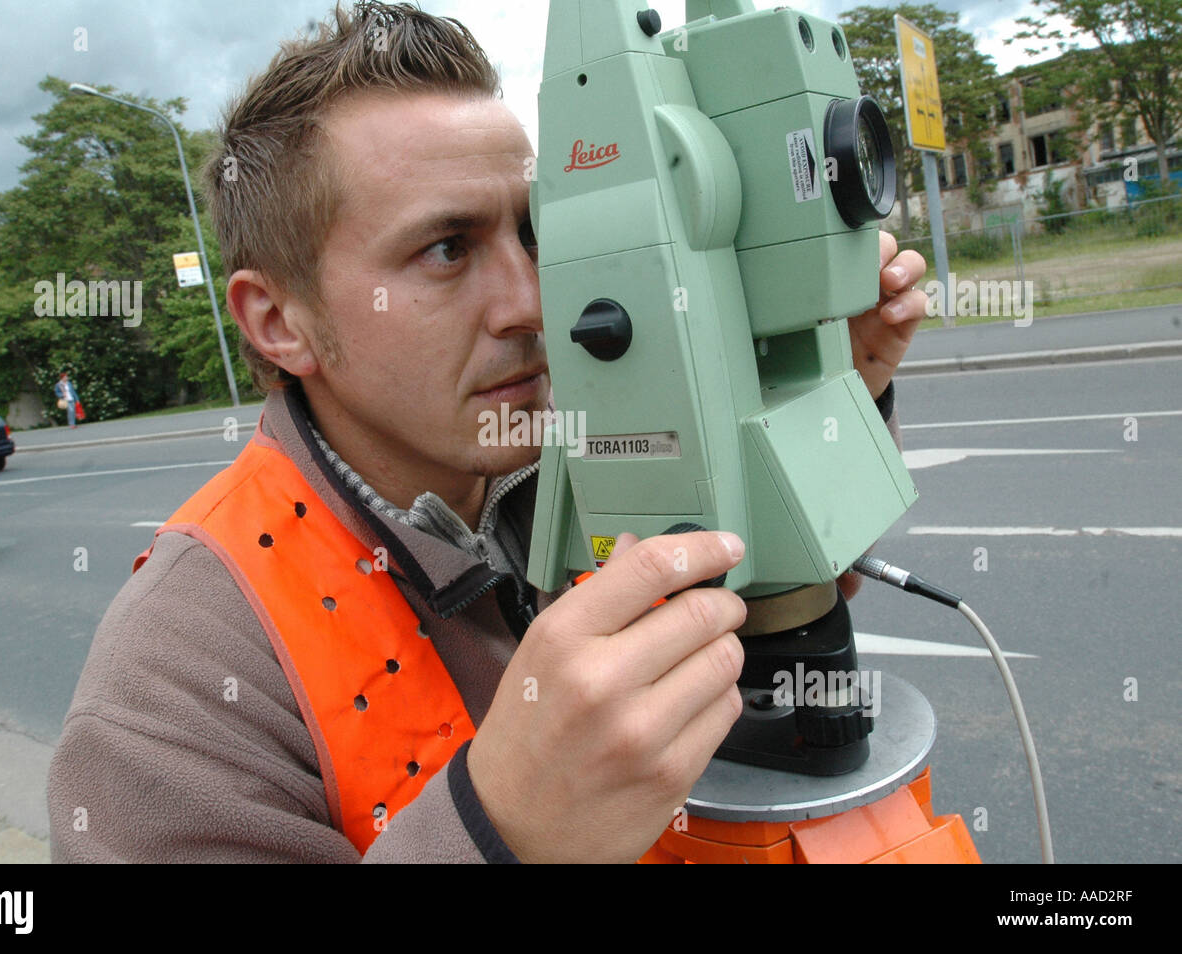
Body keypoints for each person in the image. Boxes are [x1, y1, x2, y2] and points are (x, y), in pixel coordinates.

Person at [47, 1, 928, 863]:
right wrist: (499, 832)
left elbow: (769, 622)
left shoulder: (575, 444)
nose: (530, 303)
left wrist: (802, 399)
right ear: (279, 322)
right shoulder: (175, 694)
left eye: (536, 231)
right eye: (447, 249)